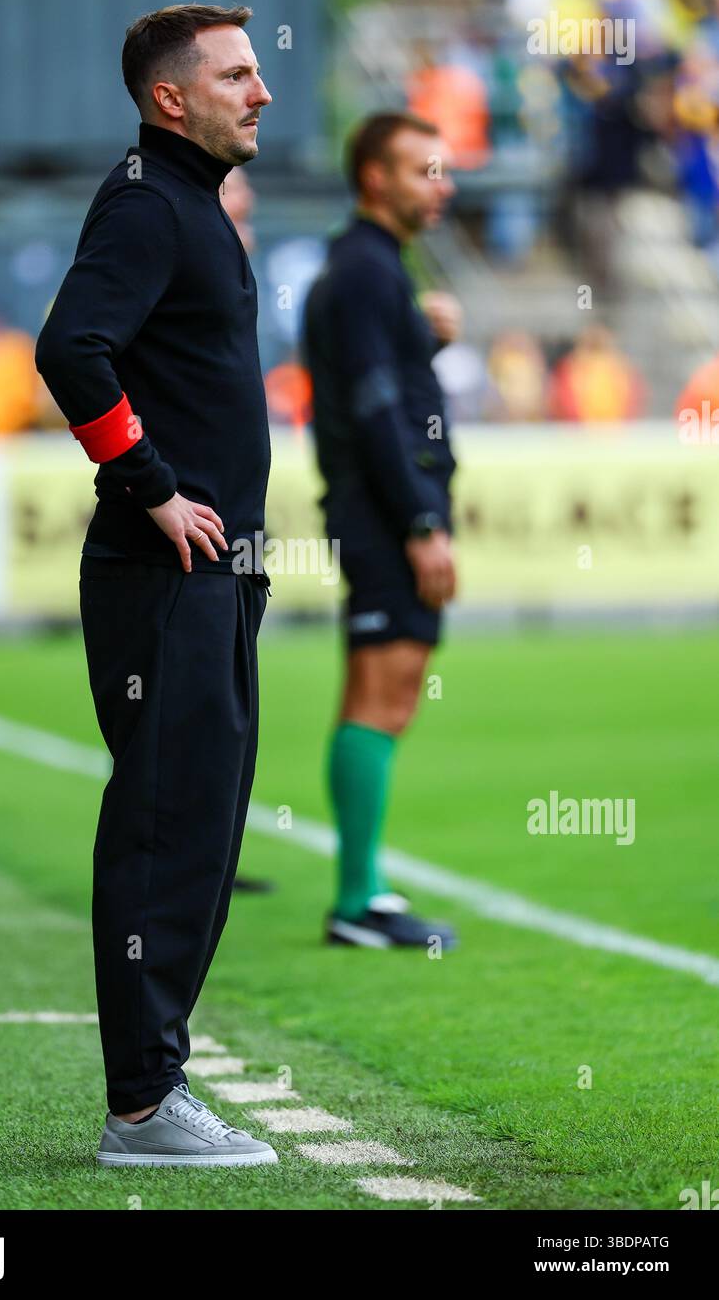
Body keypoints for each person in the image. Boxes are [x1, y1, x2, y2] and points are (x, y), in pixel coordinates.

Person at [35, 3, 278, 1167]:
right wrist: (149, 485)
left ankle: (154, 1081)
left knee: (195, 831)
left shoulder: (182, 199)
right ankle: (141, 1106)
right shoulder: (147, 201)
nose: (261, 91)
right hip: (163, 572)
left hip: (208, 579)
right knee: (162, 829)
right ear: (169, 96)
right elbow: (68, 347)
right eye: (237, 74)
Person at [302, 112, 460, 950]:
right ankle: (357, 899)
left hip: (377, 510)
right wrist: (422, 521)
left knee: (383, 693)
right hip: (382, 515)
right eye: (424, 170)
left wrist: (419, 339)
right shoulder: (366, 272)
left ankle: (360, 890)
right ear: (375, 178)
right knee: (383, 692)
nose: (443, 185)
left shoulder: (369, 271)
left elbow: (383, 381)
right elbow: (373, 408)